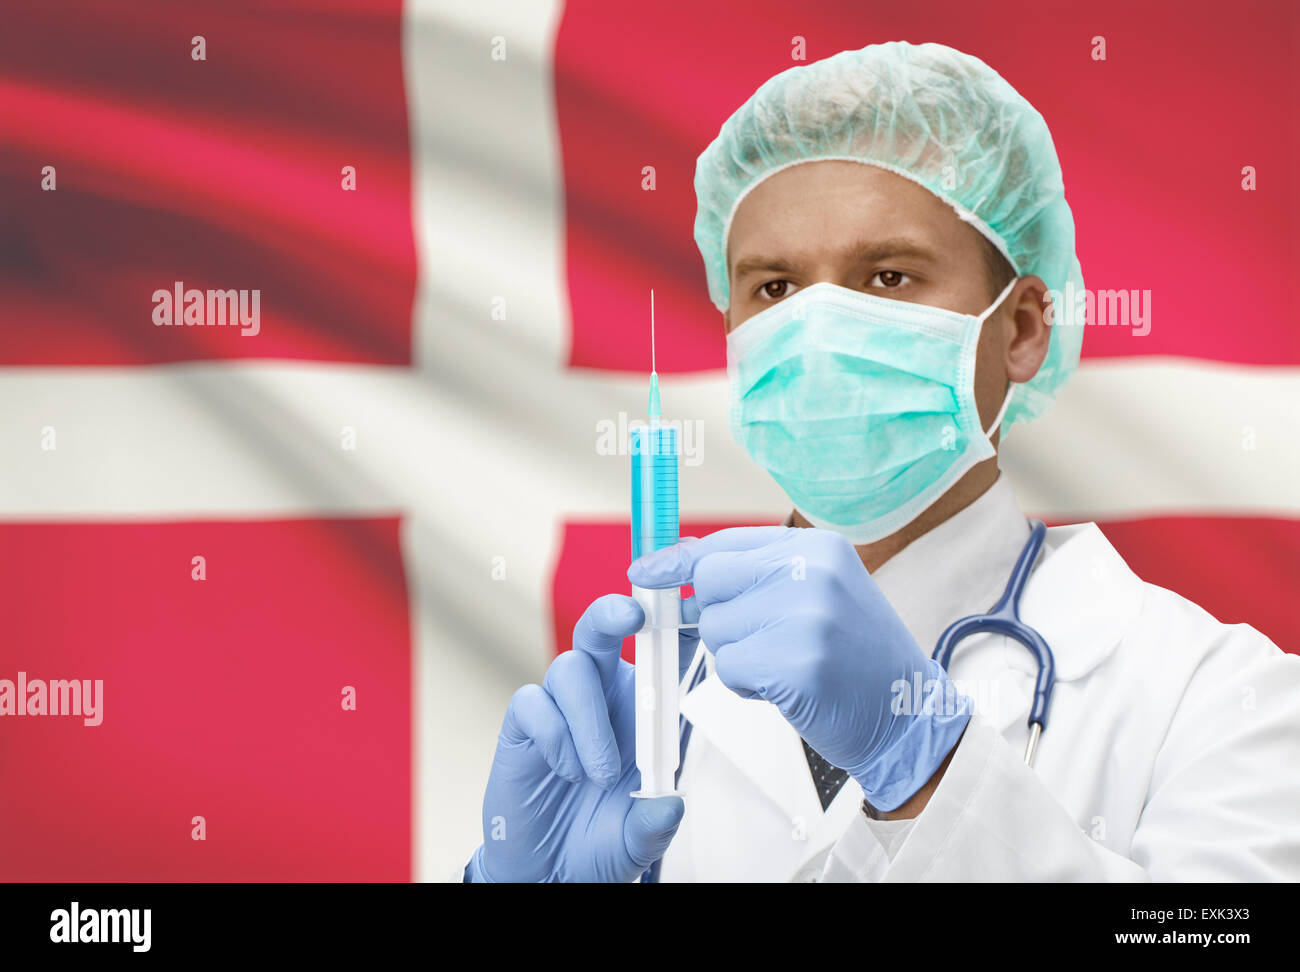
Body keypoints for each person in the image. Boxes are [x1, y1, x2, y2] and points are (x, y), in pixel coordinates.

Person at [458, 41, 1300, 882]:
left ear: (1023, 329)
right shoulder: (652, 714)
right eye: (775, 289)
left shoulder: (1221, 698)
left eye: (889, 276)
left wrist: (927, 768)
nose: (818, 329)